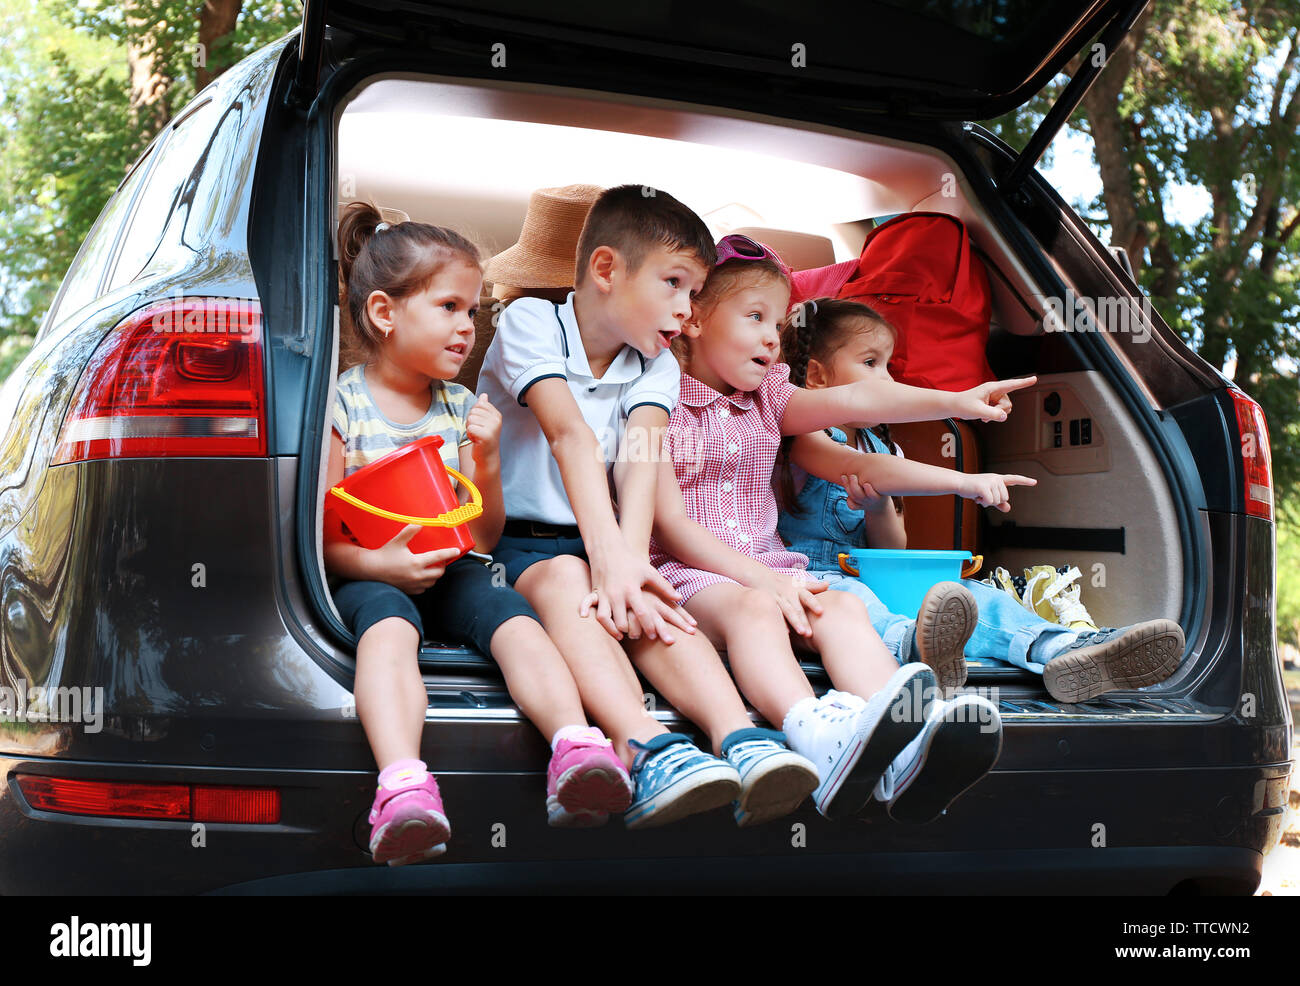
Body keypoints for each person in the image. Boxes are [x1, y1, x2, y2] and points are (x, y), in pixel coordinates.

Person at [648, 234, 1035, 824]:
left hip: (775, 572)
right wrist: (764, 582)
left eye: (778, 324)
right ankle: (815, 735)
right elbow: (669, 528)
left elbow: (858, 405)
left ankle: (912, 744)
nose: (772, 337)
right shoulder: (656, 397)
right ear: (694, 318)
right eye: (755, 317)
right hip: (691, 576)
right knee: (754, 609)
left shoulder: (771, 400)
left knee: (847, 612)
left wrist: (957, 403)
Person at [477, 185, 823, 829]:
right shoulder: (531, 322)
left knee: (658, 610)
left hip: (609, 533)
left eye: (694, 292)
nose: (686, 309)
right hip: (525, 541)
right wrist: (610, 559)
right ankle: (648, 747)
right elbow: (570, 436)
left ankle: (738, 739)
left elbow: (640, 457)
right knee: (572, 584)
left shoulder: (655, 366)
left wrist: (633, 565)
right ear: (606, 270)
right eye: (674, 284)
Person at [324, 201, 633, 865]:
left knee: (513, 616)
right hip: (370, 569)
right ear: (385, 312)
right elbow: (320, 534)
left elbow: (485, 537)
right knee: (387, 630)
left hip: (454, 562)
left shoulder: (463, 408)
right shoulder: (342, 403)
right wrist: (380, 567)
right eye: (449, 308)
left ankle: (575, 746)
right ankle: (403, 786)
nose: (468, 327)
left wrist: (486, 462)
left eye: (473, 311)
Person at [775, 296, 1186, 704]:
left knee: (966, 593)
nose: (886, 379)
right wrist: (964, 482)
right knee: (855, 604)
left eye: (888, 365)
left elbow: (891, 546)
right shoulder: (801, 436)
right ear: (816, 376)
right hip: (810, 578)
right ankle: (912, 648)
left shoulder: (881, 444)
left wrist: (877, 506)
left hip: (870, 572)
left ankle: (1062, 648)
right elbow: (865, 471)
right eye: (870, 363)